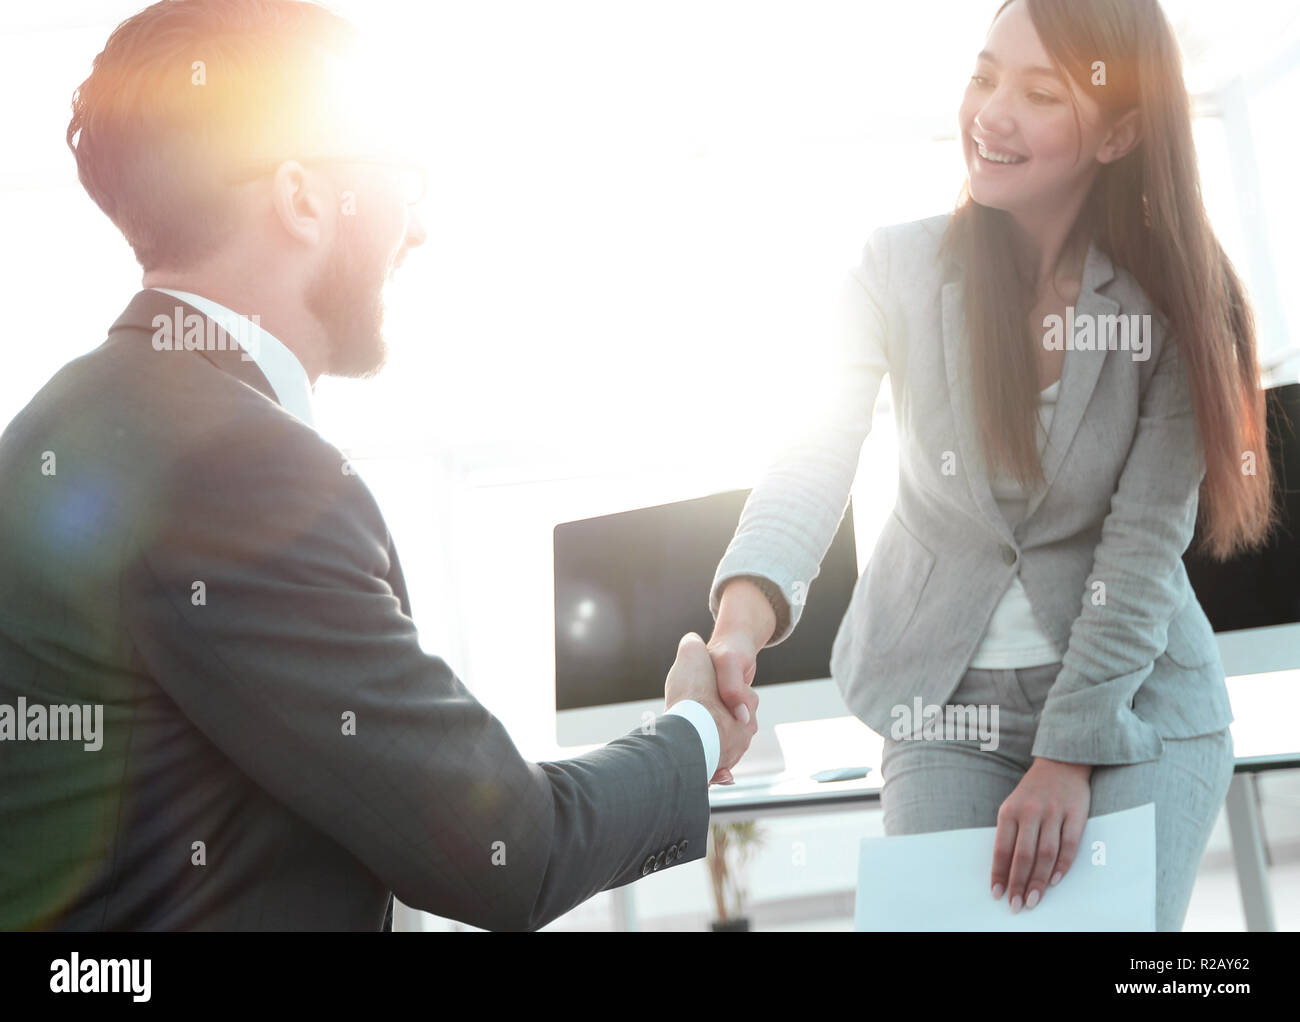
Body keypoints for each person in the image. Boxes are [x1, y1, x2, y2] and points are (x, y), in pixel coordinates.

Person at [0, 0, 757, 931]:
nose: (419, 227)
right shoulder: (239, 465)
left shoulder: (64, 424)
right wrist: (689, 734)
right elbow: (507, 853)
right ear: (303, 197)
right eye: (403, 175)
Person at [705, 0, 1277, 931]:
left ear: (1121, 130)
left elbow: (1139, 550)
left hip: (1134, 704)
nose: (992, 113)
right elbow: (814, 455)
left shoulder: (1175, 302)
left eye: (1040, 92)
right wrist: (738, 628)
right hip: (945, 709)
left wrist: (1069, 752)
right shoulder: (893, 269)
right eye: (983, 76)